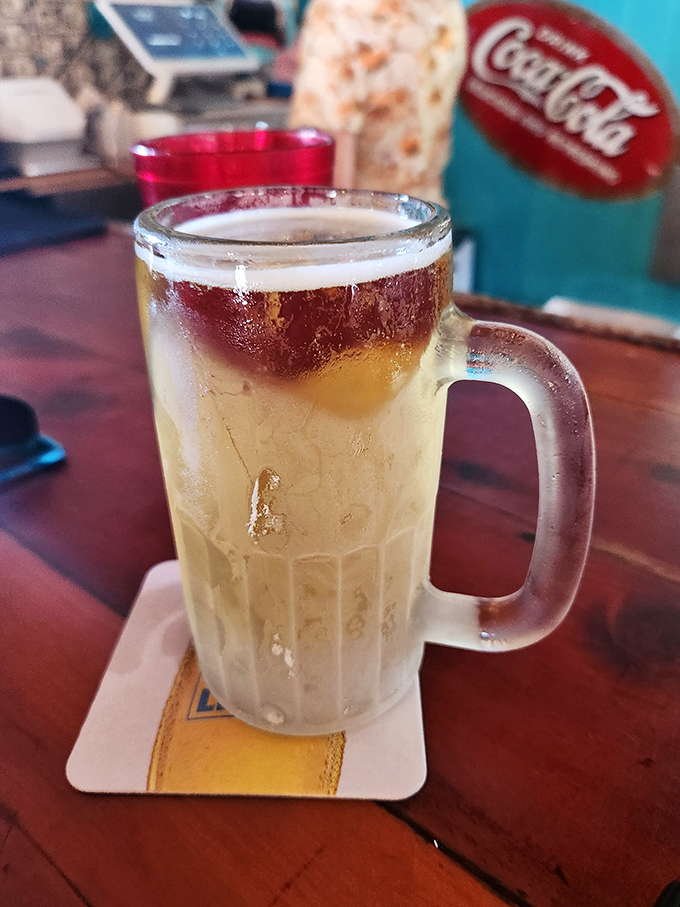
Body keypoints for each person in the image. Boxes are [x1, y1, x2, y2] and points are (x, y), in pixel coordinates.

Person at [288, 0, 467, 204]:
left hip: (367, 224)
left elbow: (324, 159)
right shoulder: (449, 8)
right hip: (424, 217)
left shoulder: (341, 10)